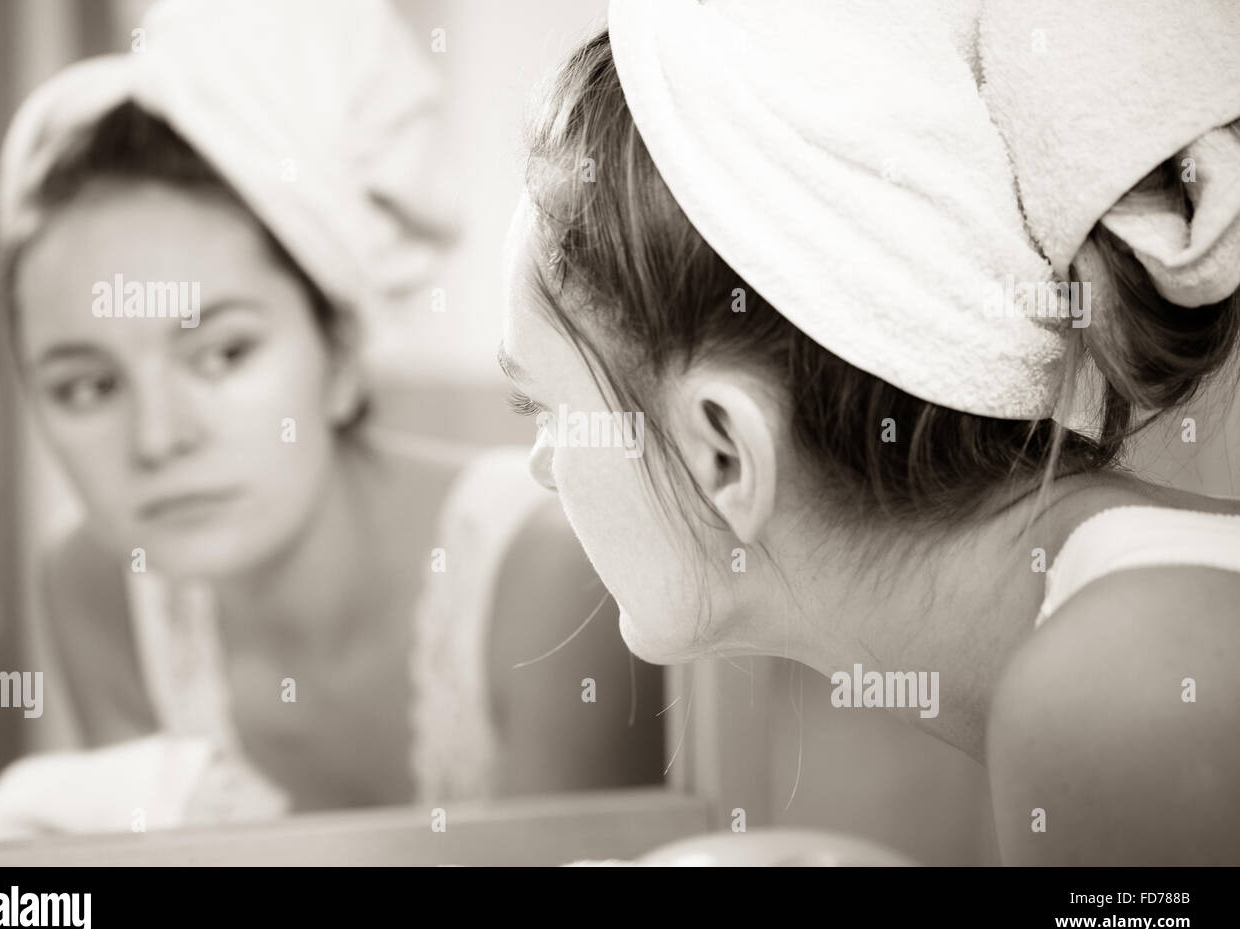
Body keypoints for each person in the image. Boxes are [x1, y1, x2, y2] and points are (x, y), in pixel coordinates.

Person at [500, 0, 1240, 864]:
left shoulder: (1118, 693)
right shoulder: (1118, 634)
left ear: (726, 453)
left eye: (550, 414)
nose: (542, 469)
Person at [0, 0, 661, 840]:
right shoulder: (94, 588)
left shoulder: (554, 573)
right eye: (86, 387)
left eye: (222, 355)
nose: (158, 439)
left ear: (338, 353)